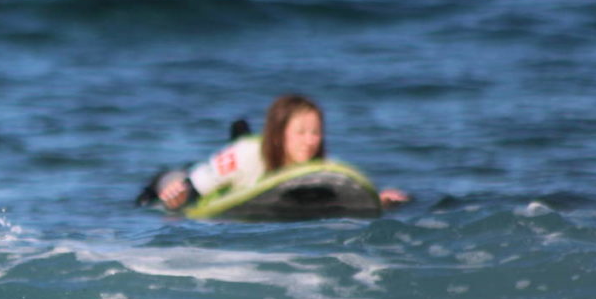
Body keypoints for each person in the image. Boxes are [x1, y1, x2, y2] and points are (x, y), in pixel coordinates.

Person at [154, 93, 409, 210]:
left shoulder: (323, 166)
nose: (310, 141)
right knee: (168, 180)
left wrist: (381, 199)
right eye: (300, 133)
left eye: (316, 132)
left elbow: (352, 189)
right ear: (279, 134)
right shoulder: (245, 154)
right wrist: (177, 197)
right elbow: (192, 189)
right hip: (207, 177)